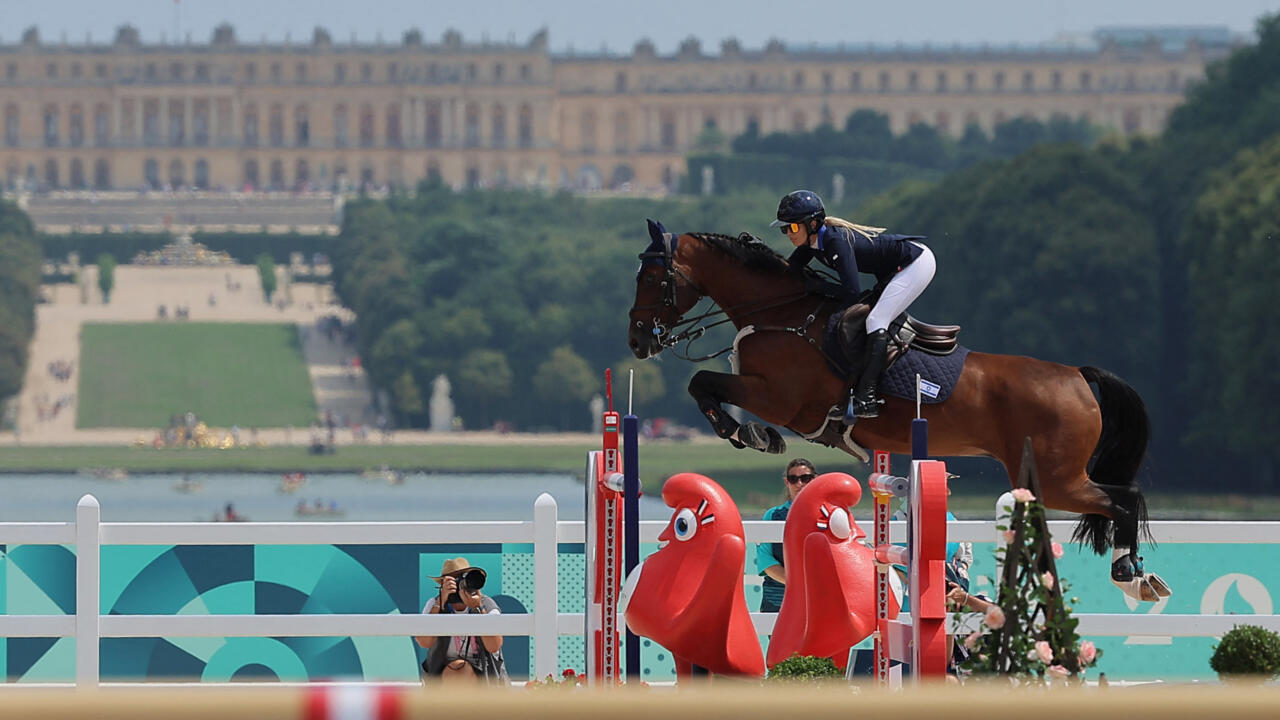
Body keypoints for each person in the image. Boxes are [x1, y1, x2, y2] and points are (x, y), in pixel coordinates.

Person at [771, 189, 936, 421]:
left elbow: (852, 293)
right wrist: (757, 259)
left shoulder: (835, 242)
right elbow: (789, 272)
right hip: (892, 270)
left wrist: (815, 286)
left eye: (793, 227)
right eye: (784, 229)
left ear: (812, 224)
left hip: (915, 263)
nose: (788, 233)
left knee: (876, 320)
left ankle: (866, 397)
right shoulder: (812, 243)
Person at [416, 557, 509, 686]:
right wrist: (439, 604)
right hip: (444, 673)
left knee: (460, 671)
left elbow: (494, 646)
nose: (459, 586)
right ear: (442, 584)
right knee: (458, 671)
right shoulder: (435, 604)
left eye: (462, 580)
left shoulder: (486, 605)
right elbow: (424, 642)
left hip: (485, 677)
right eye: (453, 581)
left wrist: (478, 608)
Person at [755, 458, 817, 613]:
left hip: (817, 598)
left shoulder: (826, 514)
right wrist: (798, 584)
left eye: (806, 478)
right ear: (787, 482)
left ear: (814, 480)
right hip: (776, 599)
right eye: (793, 479)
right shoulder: (773, 515)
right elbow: (765, 560)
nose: (799, 483)